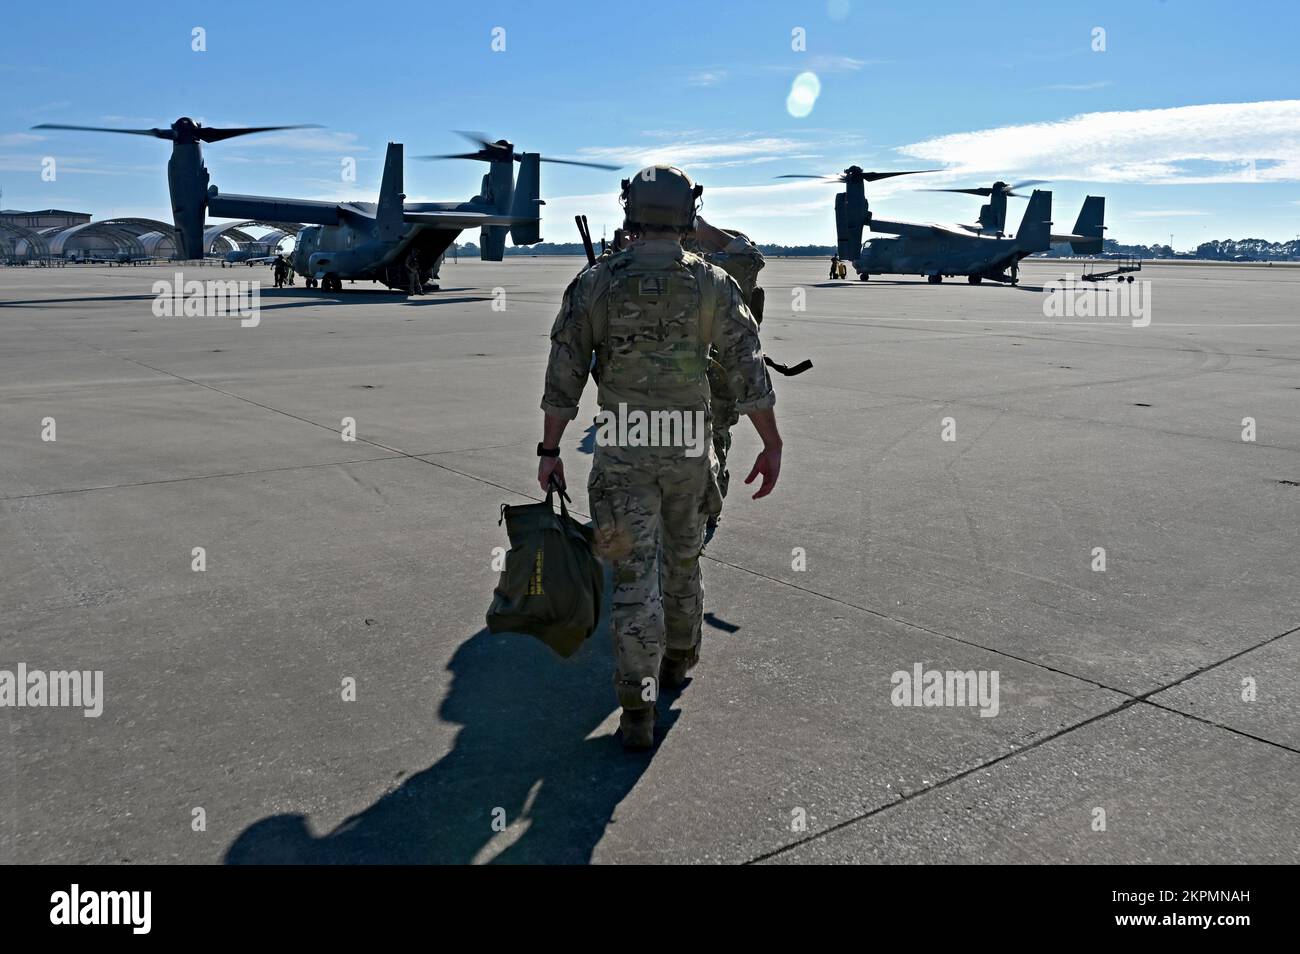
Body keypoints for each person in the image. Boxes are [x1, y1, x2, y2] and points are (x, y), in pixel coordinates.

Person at [538, 165, 783, 750]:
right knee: (683, 562)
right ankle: (677, 662)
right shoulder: (713, 284)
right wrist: (771, 442)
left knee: (631, 580)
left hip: (624, 448)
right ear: (687, 213)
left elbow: (563, 375)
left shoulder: (595, 282)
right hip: (689, 446)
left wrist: (550, 449)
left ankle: (637, 710)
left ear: (630, 211)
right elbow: (748, 367)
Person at [684, 216, 766, 533]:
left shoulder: (720, 247)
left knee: (712, 438)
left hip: (714, 369)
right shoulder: (645, 250)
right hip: (653, 375)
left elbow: (751, 260)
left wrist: (703, 230)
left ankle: (709, 507)